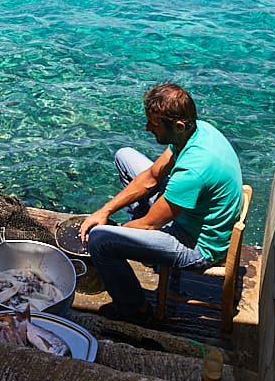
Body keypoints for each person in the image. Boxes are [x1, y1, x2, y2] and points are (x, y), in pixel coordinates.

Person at [79, 83, 242, 326]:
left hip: (197, 245)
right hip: (189, 213)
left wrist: (112, 231)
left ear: (177, 126)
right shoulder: (196, 131)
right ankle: (145, 252)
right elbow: (153, 176)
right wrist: (104, 211)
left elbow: (148, 225)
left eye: (153, 125)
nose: (146, 128)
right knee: (124, 156)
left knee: (100, 242)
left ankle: (135, 309)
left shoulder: (193, 171)